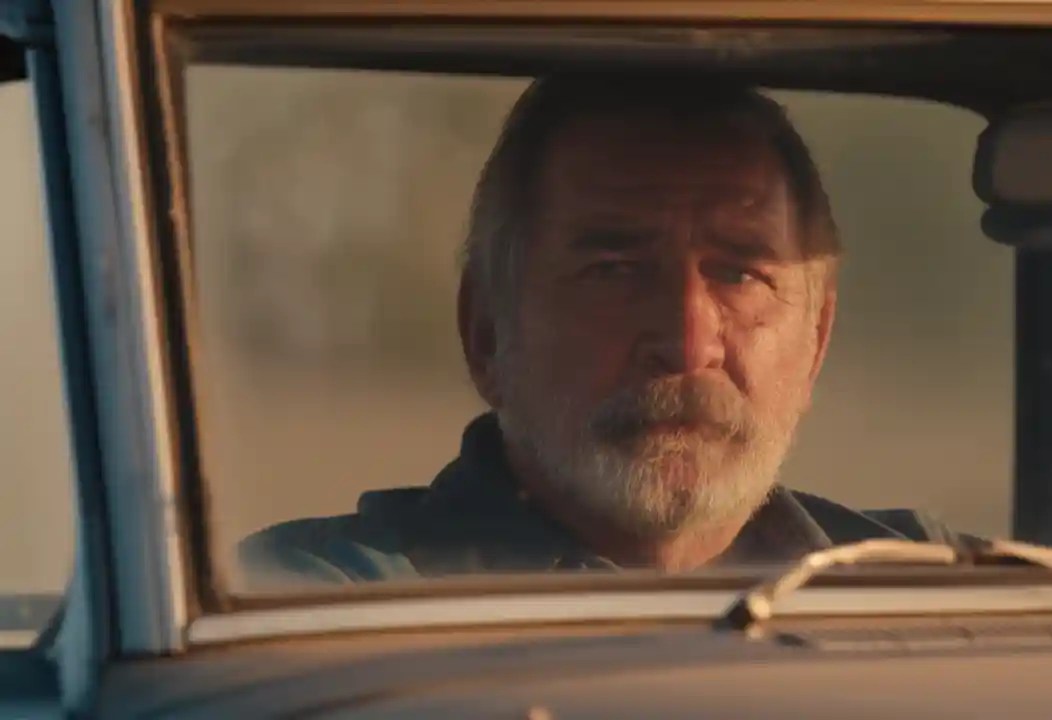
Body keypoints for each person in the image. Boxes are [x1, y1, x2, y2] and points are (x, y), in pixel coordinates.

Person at [240, 74, 950, 585]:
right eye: (614, 271)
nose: (686, 342)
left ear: (817, 343)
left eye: (740, 275)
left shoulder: (942, 592)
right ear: (486, 332)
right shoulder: (303, 608)